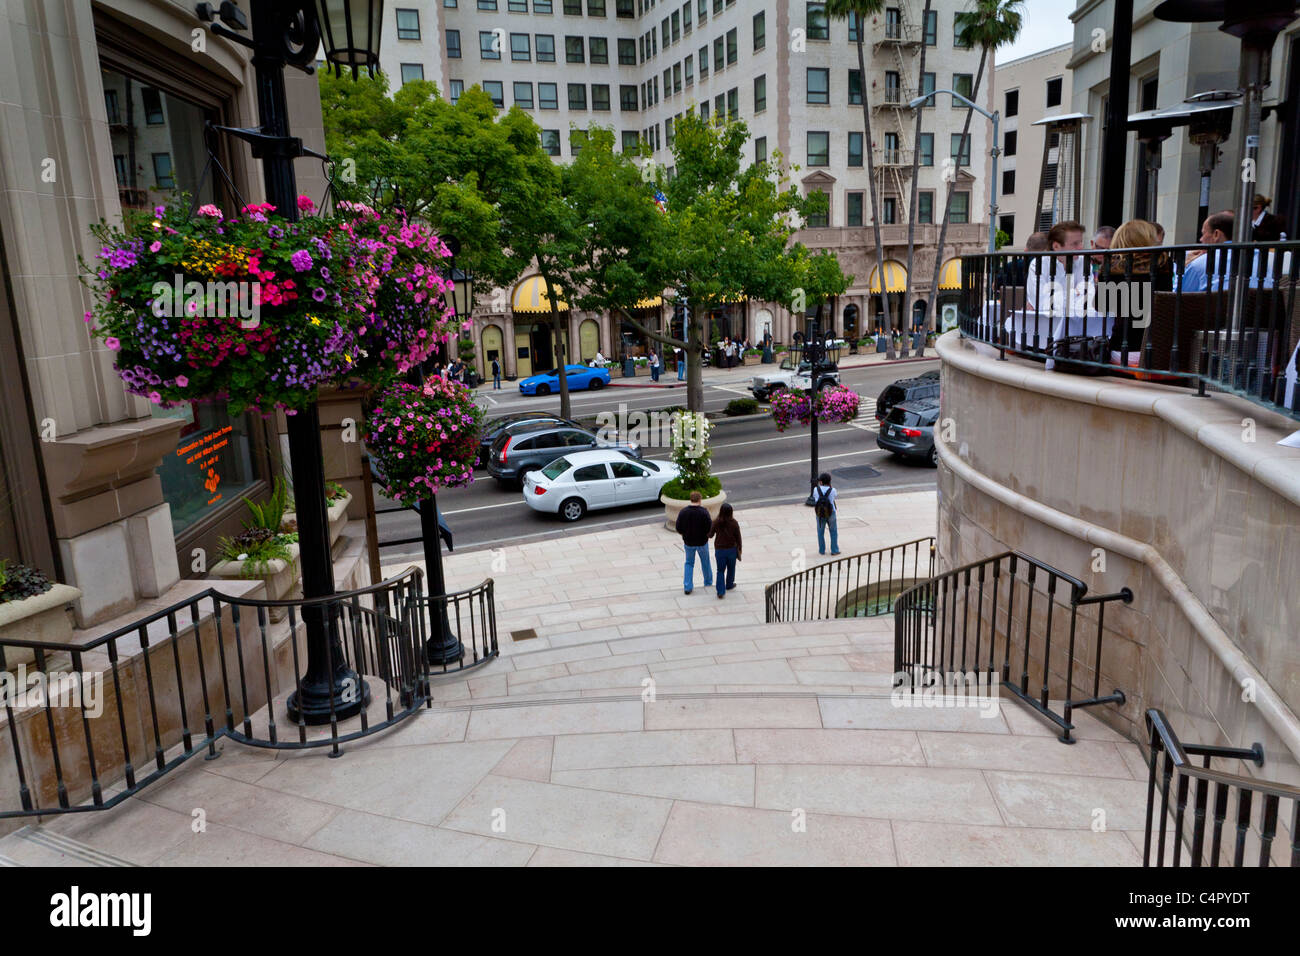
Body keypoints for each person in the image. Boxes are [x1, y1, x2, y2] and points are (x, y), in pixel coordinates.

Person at [674, 491, 713, 594]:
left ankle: (687, 587)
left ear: (691, 499)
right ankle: (708, 583)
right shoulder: (704, 512)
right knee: (705, 563)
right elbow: (709, 527)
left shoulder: (683, 512)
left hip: (688, 543)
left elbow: (678, 527)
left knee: (689, 563)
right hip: (702, 542)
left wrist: (684, 534)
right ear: (700, 500)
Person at [709, 502, 742, 599]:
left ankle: (720, 591)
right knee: (731, 568)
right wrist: (739, 548)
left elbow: (710, 535)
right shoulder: (734, 523)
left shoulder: (716, 522)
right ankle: (729, 584)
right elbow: (738, 537)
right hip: (731, 550)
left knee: (720, 570)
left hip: (720, 550)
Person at [812, 472, 839, 556]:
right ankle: (834, 550)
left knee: (820, 532)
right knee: (833, 531)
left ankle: (822, 550)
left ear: (821, 482)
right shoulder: (833, 490)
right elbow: (835, 496)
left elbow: (814, 497)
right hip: (831, 513)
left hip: (819, 513)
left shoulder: (816, 489)